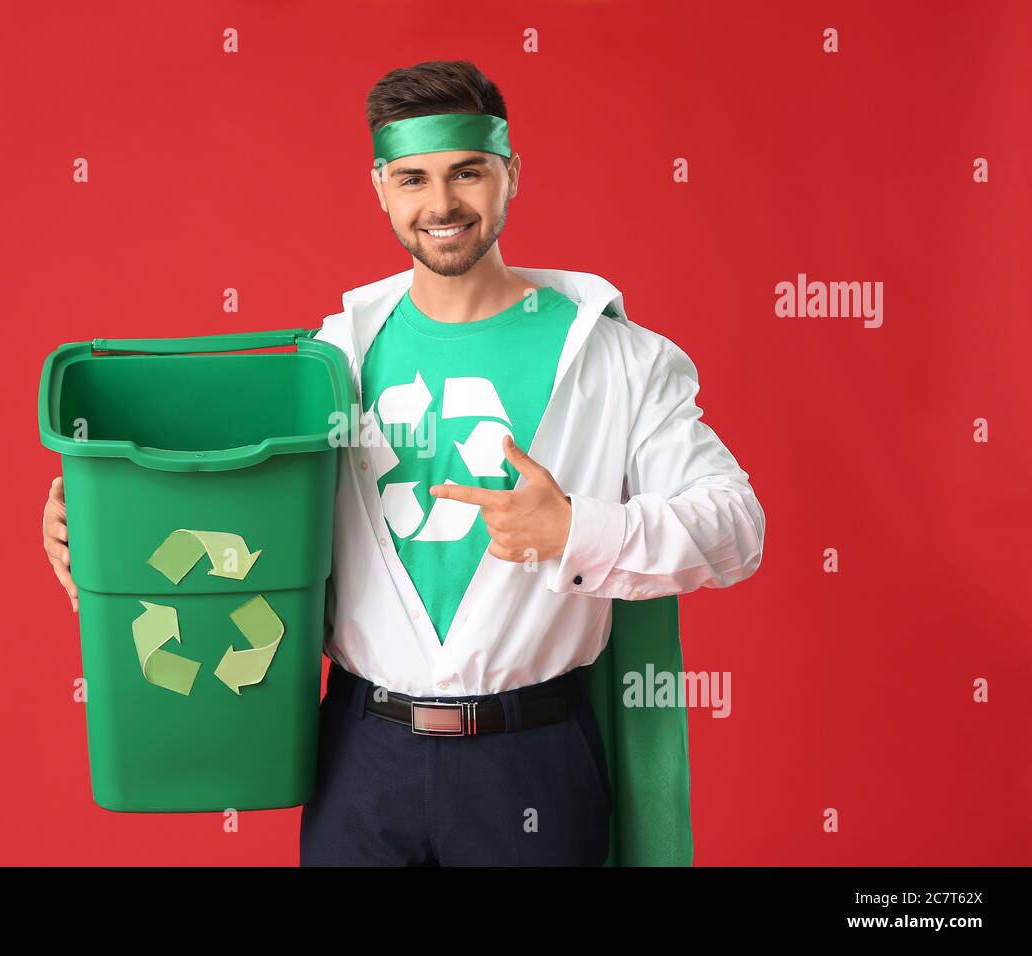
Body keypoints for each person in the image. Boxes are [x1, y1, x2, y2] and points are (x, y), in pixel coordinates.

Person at [42, 60, 765, 866]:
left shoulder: (616, 357)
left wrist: (576, 529)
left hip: (532, 761)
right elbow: (227, 502)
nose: (442, 204)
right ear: (380, 188)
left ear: (510, 175)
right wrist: (94, 526)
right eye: (413, 178)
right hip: (361, 759)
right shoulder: (329, 360)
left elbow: (737, 529)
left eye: (467, 173)